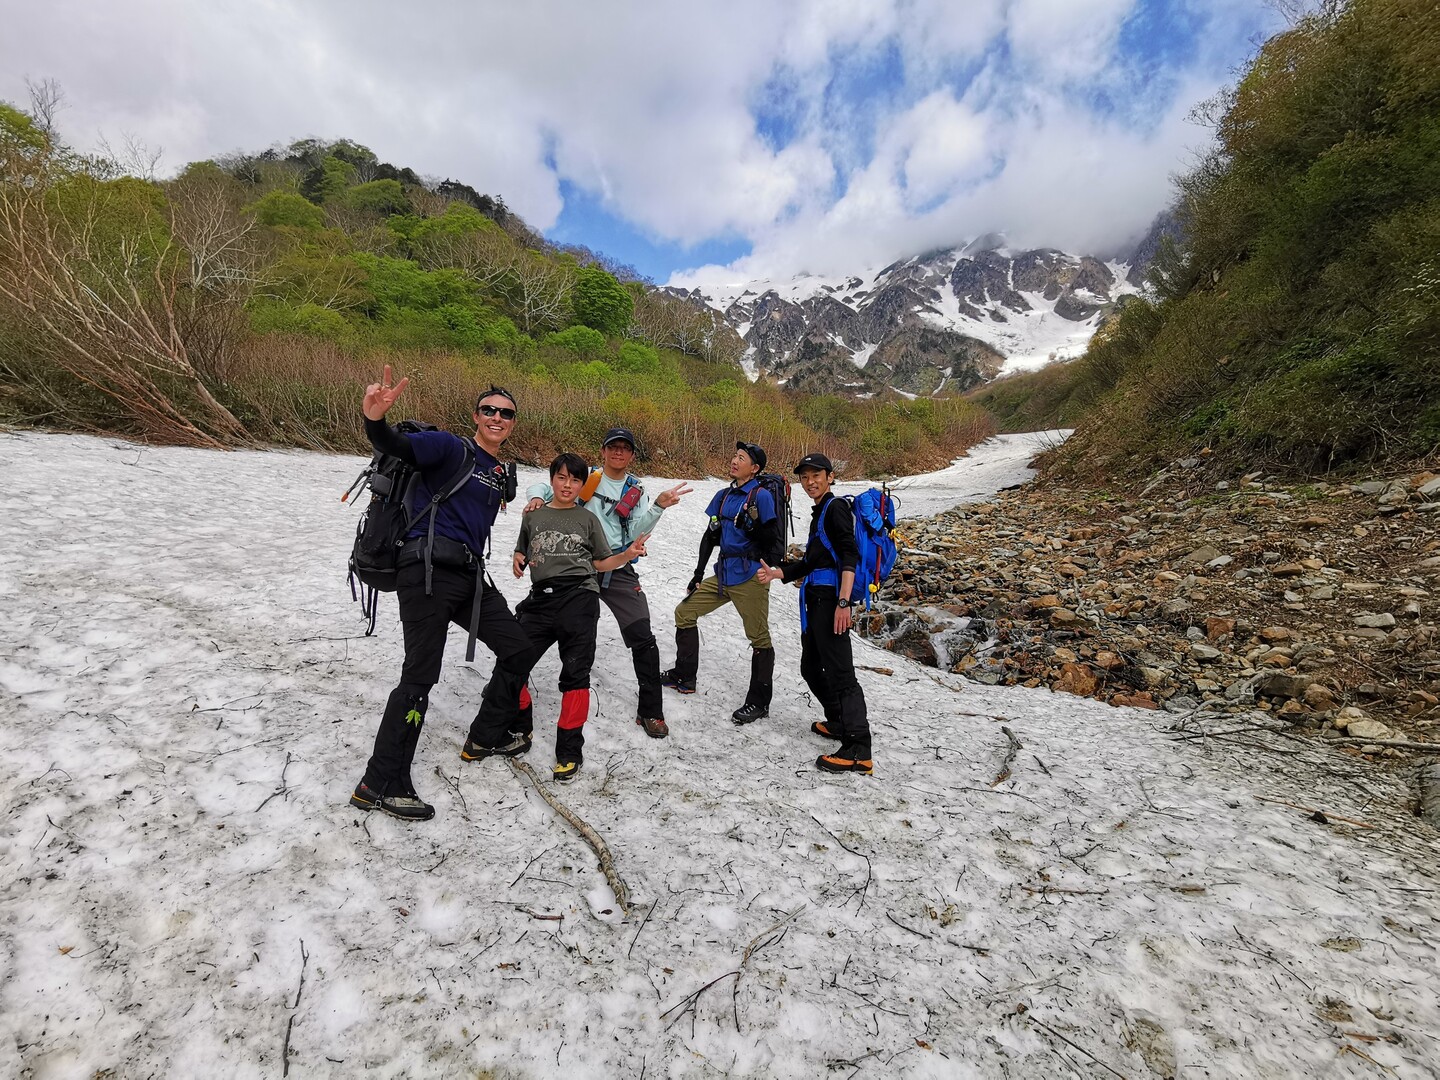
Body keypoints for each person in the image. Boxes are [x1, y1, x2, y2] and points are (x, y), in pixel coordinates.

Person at [350, 368, 537, 822]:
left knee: (518, 647)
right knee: (419, 677)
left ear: (513, 423)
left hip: (469, 577)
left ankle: (487, 734)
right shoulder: (452, 447)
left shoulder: (498, 470)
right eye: (489, 410)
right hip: (427, 571)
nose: (497, 417)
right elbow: (396, 445)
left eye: (506, 413)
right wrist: (375, 419)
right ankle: (381, 781)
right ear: (475, 415)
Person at [523, 428, 691, 739]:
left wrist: (658, 506)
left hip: (618, 566)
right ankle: (507, 683)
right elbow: (546, 487)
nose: (618, 452)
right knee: (540, 628)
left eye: (624, 448)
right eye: (612, 447)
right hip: (576, 567)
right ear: (602, 451)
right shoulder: (587, 479)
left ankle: (651, 711)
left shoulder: (635, 488)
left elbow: (638, 528)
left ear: (631, 455)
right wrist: (535, 496)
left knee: (642, 636)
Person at [509, 453, 651, 781]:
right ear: (552, 480)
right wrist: (517, 556)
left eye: (575, 479)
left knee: (575, 675)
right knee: (512, 658)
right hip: (540, 602)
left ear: (582, 484)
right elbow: (524, 549)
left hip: (580, 599)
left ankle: (570, 750)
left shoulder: (588, 521)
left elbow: (600, 563)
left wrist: (626, 555)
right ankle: (520, 724)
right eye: (562, 478)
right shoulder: (534, 515)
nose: (568, 485)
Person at [755, 453, 873, 774]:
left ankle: (858, 748)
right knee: (810, 666)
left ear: (830, 477)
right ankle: (837, 721)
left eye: (816, 475)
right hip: (816, 602)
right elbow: (810, 562)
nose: (810, 482)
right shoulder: (820, 512)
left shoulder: (835, 509)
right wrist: (779, 572)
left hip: (831, 600)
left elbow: (849, 554)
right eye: (805, 477)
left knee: (841, 674)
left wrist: (844, 603)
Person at [661, 441, 781, 724]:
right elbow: (709, 536)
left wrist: (754, 525)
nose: (734, 460)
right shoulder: (723, 496)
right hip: (724, 574)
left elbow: (771, 540)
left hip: (751, 576)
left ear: (755, 468)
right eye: (734, 455)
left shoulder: (761, 496)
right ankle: (684, 676)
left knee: (759, 638)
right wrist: (698, 573)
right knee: (684, 612)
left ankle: (759, 702)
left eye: (742, 458)